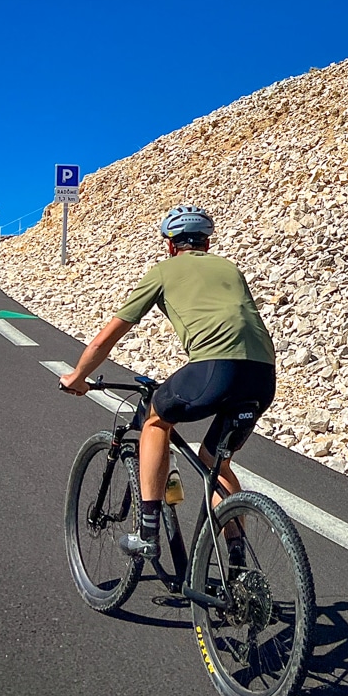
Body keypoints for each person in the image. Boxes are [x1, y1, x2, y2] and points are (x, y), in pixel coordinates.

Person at [59, 205, 276, 560]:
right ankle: (237, 563)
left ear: (171, 245)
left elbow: (107, 337)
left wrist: (77, 377)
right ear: (206, 242)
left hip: (213, 369)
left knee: (156, 419)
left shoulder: (164, 271)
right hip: (262, 375)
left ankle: (147, 534)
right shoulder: (230, 269)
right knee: (215, 462)